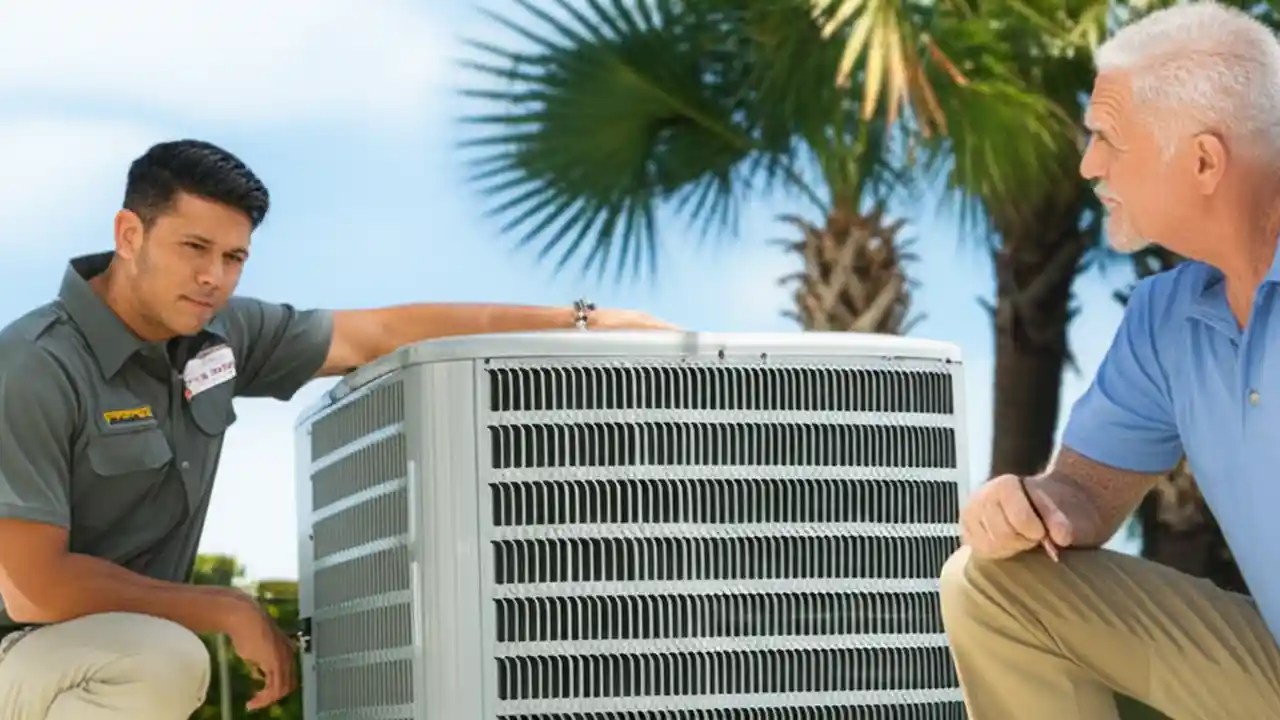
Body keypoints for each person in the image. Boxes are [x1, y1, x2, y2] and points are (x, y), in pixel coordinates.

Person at [0, 139, 676, 719]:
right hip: (22, 647)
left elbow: (376, 332)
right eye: (194, 248)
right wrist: (224, 606)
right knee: (161, 659)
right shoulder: (34, 365)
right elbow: (37, 586)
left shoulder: (219, 337)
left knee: (153, 655)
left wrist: (580, 322)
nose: (214, 278)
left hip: (89, 653)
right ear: (129, 234)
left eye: (234, 257)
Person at [940, 2, 1280, 718]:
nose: (1090, 165)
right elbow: (1086, 493)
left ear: (1204, 161)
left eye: (1110, 141)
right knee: (993, 583)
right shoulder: (1166, 317)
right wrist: (1038, 507)